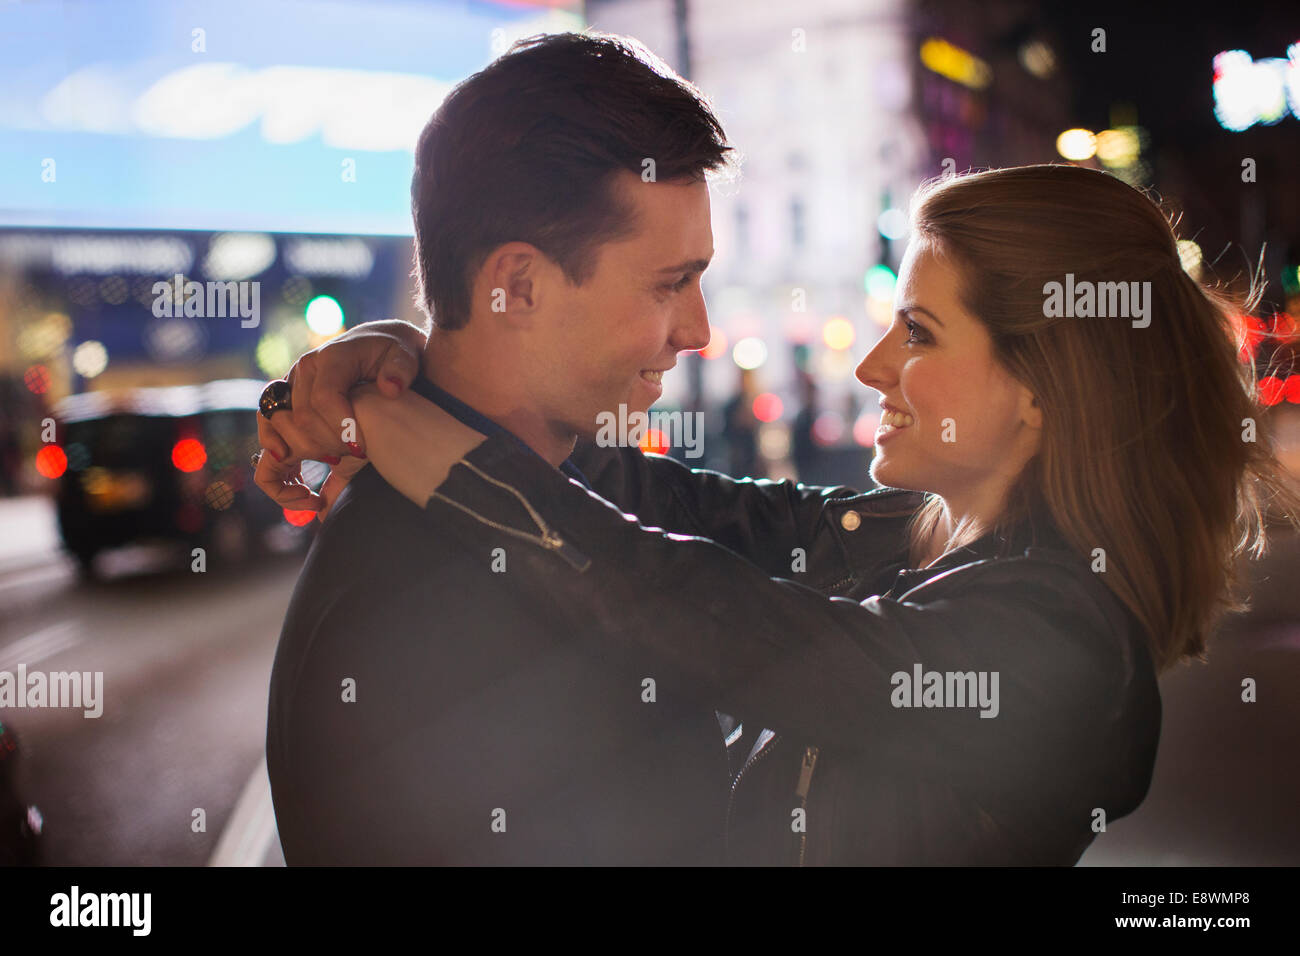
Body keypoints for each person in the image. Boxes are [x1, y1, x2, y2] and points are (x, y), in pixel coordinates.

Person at [260, 163, 1300, 865]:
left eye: (921, 332)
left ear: (1043, 387)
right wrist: (418, 366)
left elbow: (701, 612)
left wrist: (451, 465)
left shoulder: (1059, 649)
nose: (870, 364)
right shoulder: (922, 540)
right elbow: (671, 506)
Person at [258, 31, 744, 865]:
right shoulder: (409, 628)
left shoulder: (584, 476)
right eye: (670, 284)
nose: (698, 331)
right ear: (516, 285)